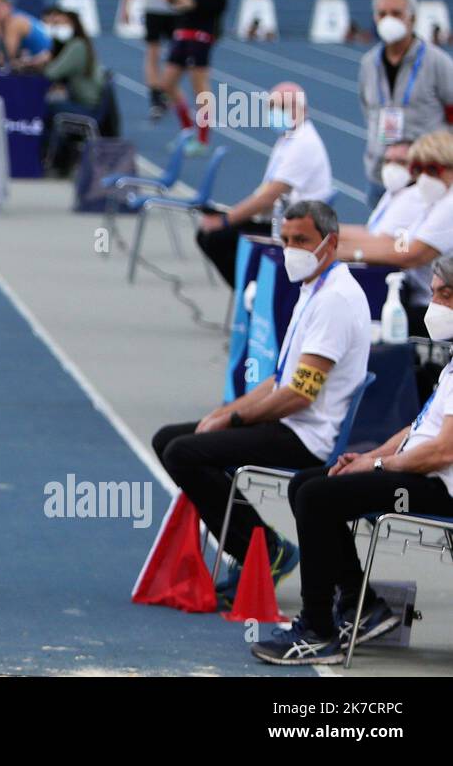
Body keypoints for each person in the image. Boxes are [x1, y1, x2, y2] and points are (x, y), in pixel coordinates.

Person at [152, 200, 371, 609]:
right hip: (291, 421)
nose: (291, 249)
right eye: (285, 239)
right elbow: (279, 378)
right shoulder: (314, 290)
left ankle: (264, 549)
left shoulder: (335, 301)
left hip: (307, 435)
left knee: (185, 453)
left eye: (301, 240)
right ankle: (260, 545)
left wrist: (233, 418)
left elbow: (299, 393)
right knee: (168, 439)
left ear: (331, 242)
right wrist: (222, 413)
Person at [252, 255, 453, 665]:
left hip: (440, 487)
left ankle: (318, 631)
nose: (435, 305)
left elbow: (441, 451)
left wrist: (377, 468)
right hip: (423, 471)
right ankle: (364, 607)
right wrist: (371, 456)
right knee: (306, 483)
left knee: (318, 498)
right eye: (433, 294)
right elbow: (419, 430)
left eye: (444, 295)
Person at [196, 82, 333, 287]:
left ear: (302, 109)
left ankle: (254, 293)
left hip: (296, 227)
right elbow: (268, 192)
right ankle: (250, 289)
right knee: (210, 233)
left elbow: (270, 196)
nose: (276, 113)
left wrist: (226, 220)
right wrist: (227, 214)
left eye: (282, 107)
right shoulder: (288, 138)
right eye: (272, 107)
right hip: (281, 218)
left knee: (217, 237)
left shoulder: (303, 143)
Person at [338, 129, 453, 334]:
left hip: (432, 308)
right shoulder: (433, 202)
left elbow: (411, 255)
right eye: (419, 169)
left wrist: (349, 252)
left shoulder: (448, 205)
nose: (425, 177)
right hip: (422, 299)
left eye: (433, 169)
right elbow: (399, 242)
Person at [358, 0, 453, 207]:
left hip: (425, 175)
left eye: (396, 13)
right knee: (379, 238)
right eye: (382, 14)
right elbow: (367, 108)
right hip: (381, 173)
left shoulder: (436, 62)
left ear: (412, 18)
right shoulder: (368, 64)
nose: (388, 19)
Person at [159, 0, 228, 156]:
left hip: (202, 32)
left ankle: (202, 139)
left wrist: (195, 4)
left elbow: (219, 5)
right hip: (183, 29)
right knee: (167, 83)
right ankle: (187, 130)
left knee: (200, 87)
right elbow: (186, 0)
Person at [40, 7, 108, 175]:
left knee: (47, 108)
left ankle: (51, 158)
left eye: (62, 23)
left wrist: (43, 62)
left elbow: (52, 73)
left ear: (74, 25)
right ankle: (57, 157)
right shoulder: (79, 44)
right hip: (85, 102)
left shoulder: (77, 46)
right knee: (52, 105)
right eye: (55, 23)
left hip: (87, 106)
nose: (57, 27)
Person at [0, 0, 52, 70]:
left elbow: (9, 58)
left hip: (46, 64)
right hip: (34, 62)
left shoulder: (15, 22)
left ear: (9, 6)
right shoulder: (3, 23)